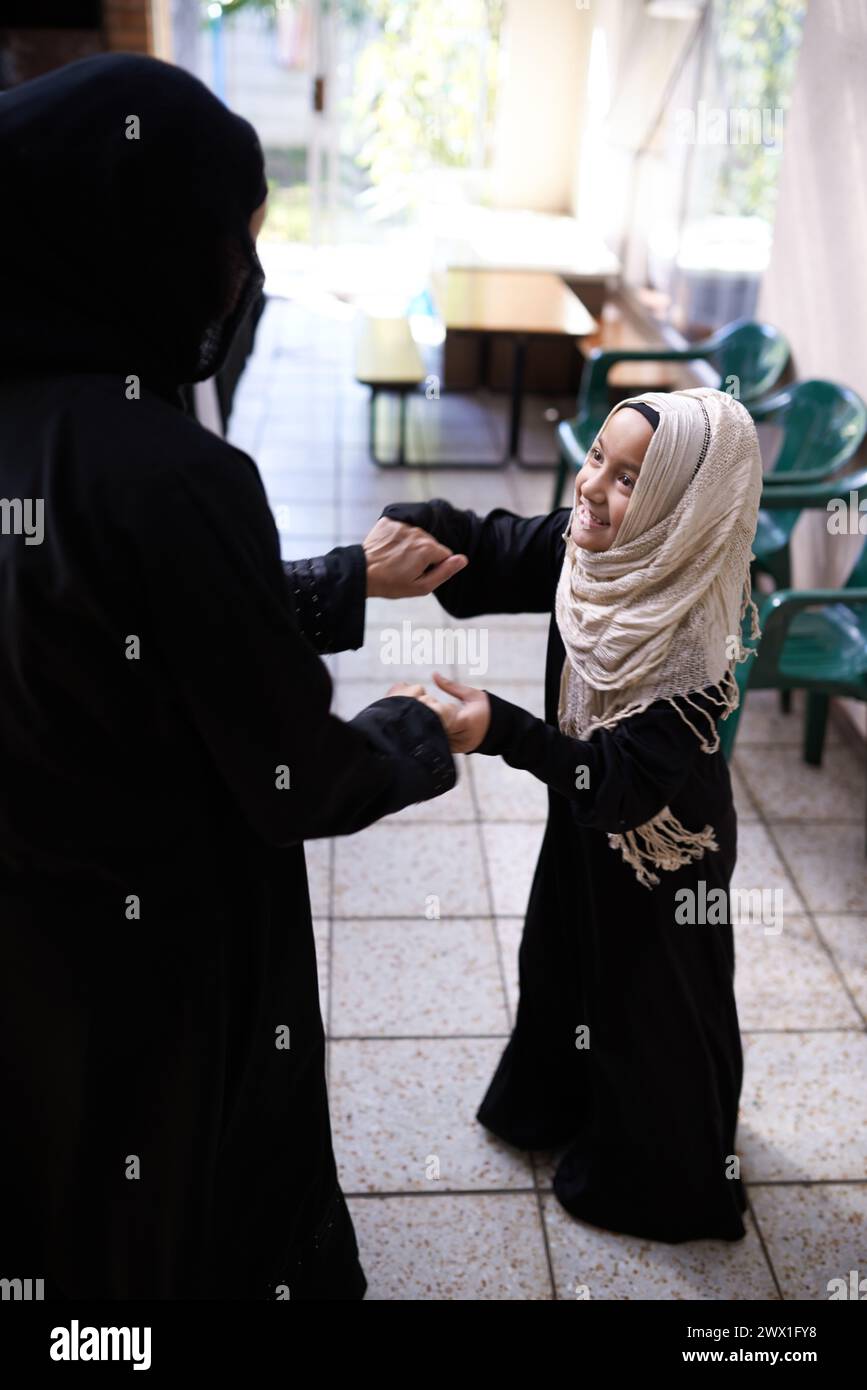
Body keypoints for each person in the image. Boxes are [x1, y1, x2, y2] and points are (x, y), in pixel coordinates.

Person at [0, 54, 468, 1299]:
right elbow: (287, 777)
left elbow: (100, 627)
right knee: (166, 1197)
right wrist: (419, 735)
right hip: (156, 938)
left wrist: (336, 581)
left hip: (32, 924)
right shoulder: (172, 470)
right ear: (148, 240)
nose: (245, 279)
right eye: (232, 240)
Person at [382, 387, 763, 1243]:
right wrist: (413, 526)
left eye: (630, 479)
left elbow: (621, 784)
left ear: (679, 506)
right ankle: (554, 1105)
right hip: (582, 819)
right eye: (597, 456)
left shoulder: (692, 644)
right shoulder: (587, 548)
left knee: (650, 1007)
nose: (592, 487)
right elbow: (494, 547)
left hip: (662, 855)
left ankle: (662, 1183)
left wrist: (499, 729)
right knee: (564, 960)